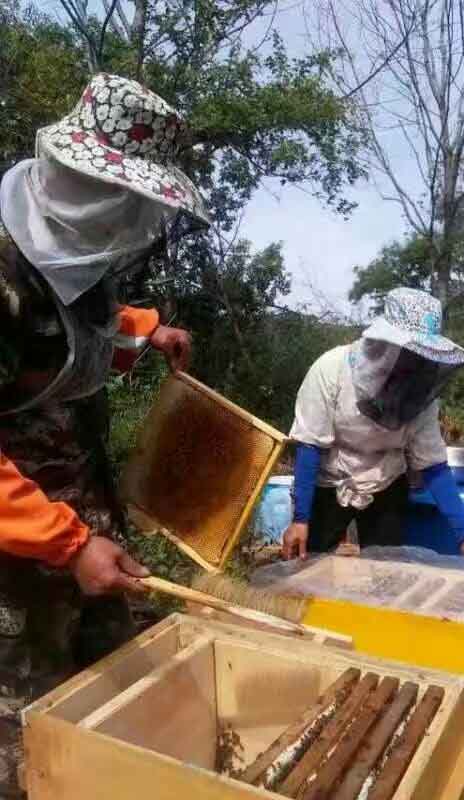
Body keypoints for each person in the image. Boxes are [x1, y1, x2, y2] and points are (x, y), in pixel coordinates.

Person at [0, 73, 209, 796]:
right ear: (85, 186)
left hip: (86, 520)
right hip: (15, 548)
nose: (132, 217)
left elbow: (73, 326)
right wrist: (65, 543)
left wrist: (146, 330)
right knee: (29, 736)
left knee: (114, 695)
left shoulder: (72, 247)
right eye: (124, 197)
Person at [282, 287, 464, 571]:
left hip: (387, 483)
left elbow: (433, 465)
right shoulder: (330, 369)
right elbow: (309, 445)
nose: (414, 360)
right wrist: (300, 519)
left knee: (386, 572)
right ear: (383, 345)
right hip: (331, 482)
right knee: (308, 567)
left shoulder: (420, 395)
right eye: (410, 351)